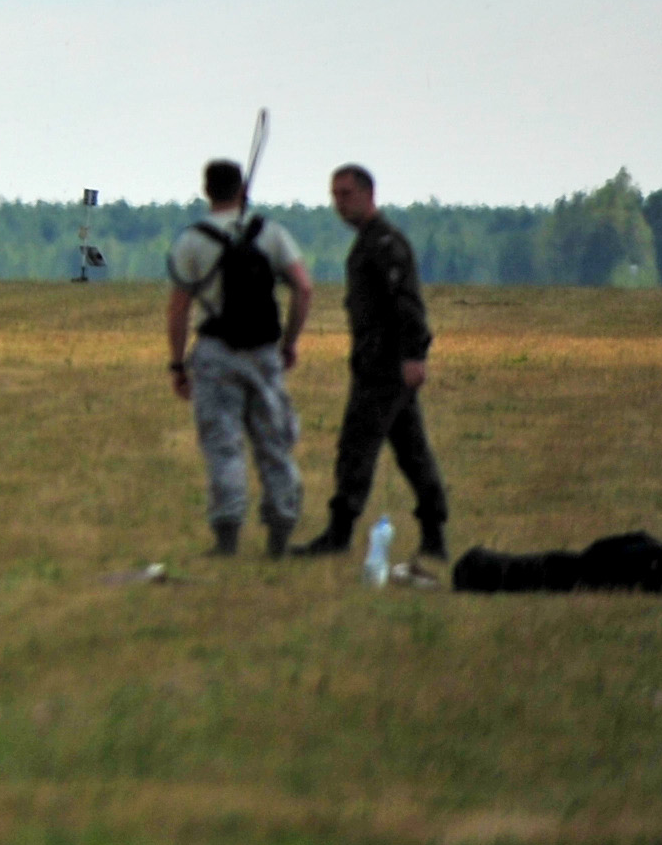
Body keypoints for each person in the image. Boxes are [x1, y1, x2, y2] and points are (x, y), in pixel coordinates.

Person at [295, 163, 451, 559]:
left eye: (346, 194)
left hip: (385, 369)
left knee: (356, 450)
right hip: (374, 365)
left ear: (368, 194)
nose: (339, 203)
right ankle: (434, 535)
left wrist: (415, 355)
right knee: (412, 451)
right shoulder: (367, 243)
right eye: (335, 196)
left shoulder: (385, 245)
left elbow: (408, 304)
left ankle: (339, 533)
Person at [166, 158, 315, 557]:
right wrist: (290, 341)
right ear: (242, 189)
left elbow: (178, 309)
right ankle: (280, 536)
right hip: (265, 353)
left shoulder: (192, 240)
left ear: (206, 189)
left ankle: (227, 537)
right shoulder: (271, 234)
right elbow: (303, 288)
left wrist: (178, 364)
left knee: (223, 445)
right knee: (274, 444)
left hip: (215, 355)